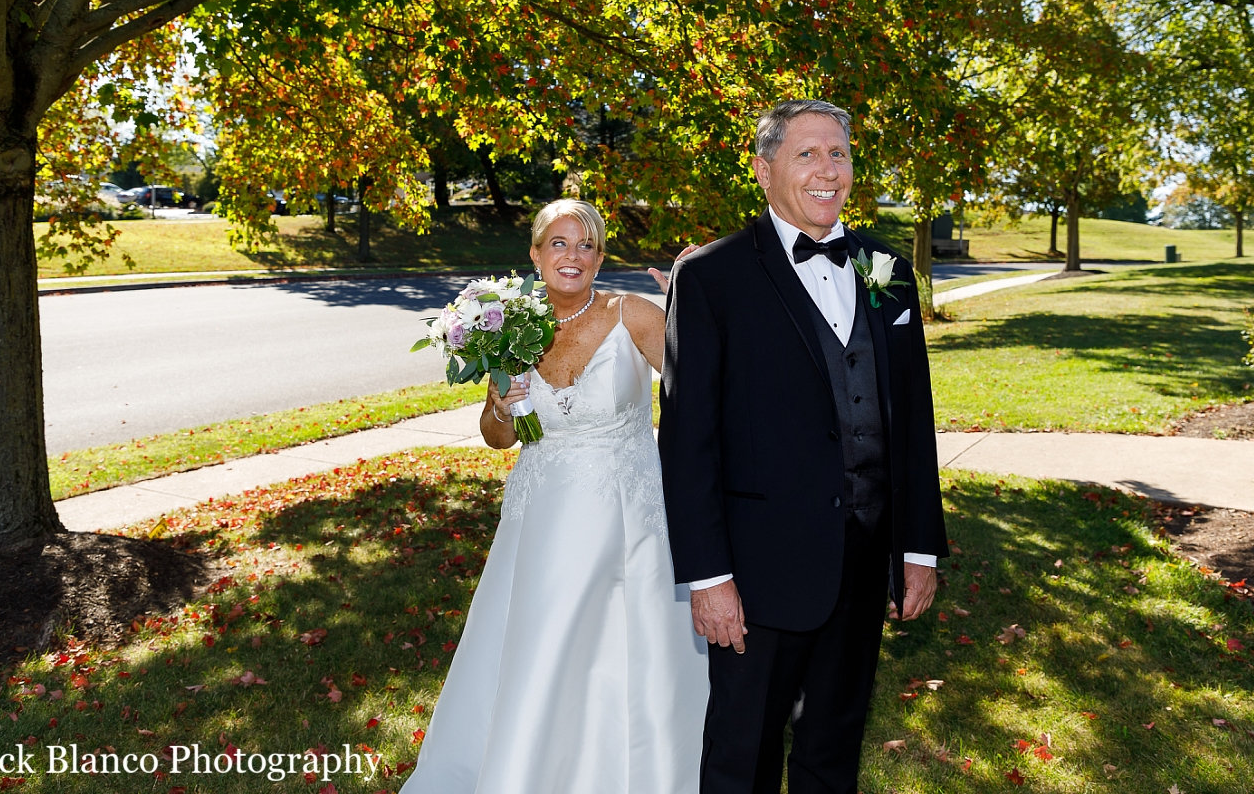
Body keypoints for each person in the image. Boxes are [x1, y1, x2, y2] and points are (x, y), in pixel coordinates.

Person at [659, 99, 949, 794]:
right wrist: (709, 577)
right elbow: (688, 441)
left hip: (864, 559)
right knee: (743, 755)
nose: (828, 170)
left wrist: (917, 549)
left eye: (839, 154)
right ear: (764, 171)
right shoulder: (711, 277)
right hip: (757, 572)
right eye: (807, 154)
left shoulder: (887, 267)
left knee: (834, 748)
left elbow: (912, 418)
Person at [402, 199, 708, 794]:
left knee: (627, 647)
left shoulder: (632, 315)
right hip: (540, 514)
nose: (574, 256)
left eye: (587, 245)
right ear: (536, 254)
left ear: (600, 256)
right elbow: (498, 437)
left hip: (627, 517)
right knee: (536, 641)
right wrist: (500, 407)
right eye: (560, 244)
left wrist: (695, 310)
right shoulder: (510, 325)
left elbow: (705, 384)